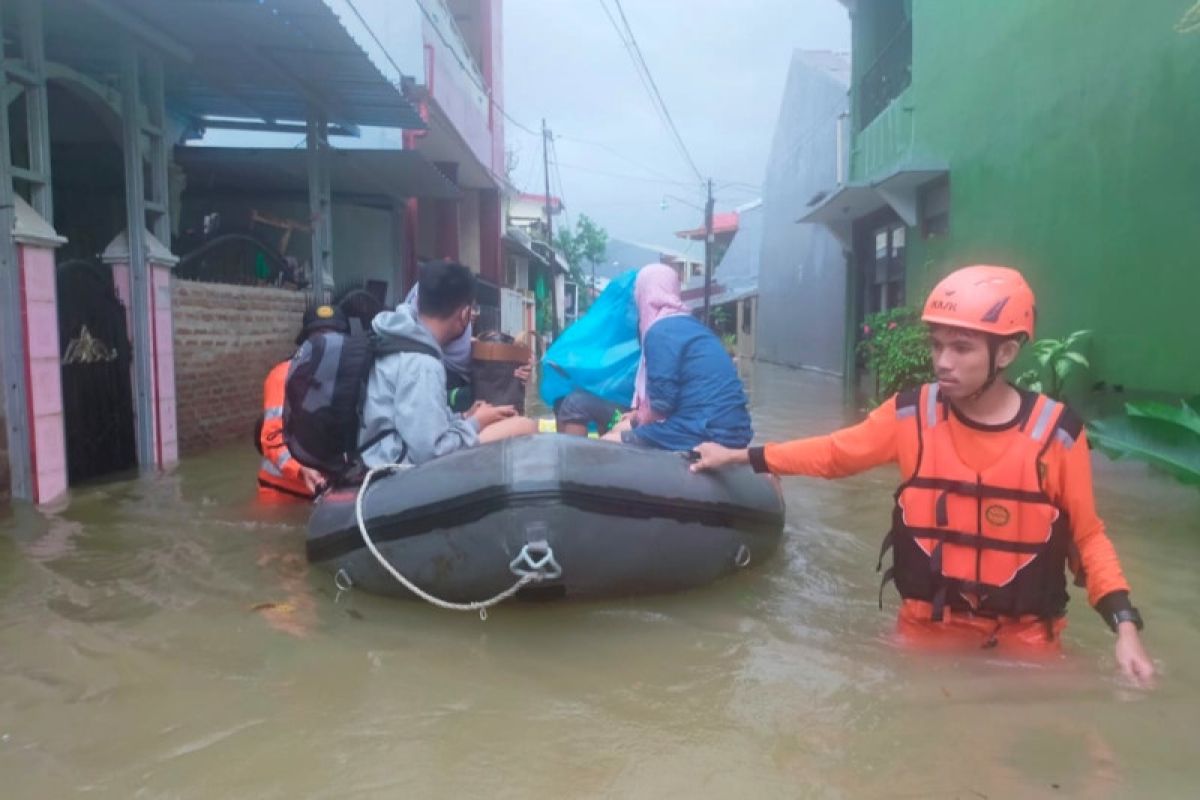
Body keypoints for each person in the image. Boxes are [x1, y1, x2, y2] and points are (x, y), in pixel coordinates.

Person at [691, 265, 1155, 684]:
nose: (943, 361)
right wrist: (738, 457)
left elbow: (1088, 539)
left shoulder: (1056, 435)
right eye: (937, 345)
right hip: (926, 629)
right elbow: (835, 455)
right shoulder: (911, 416)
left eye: (961, 347)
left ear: (1006, 352)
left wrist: (1125, 628)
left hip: (1026, 639)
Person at [359, 260, 537, 467]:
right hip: (396, 471)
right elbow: (431, 454)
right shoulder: (423, 364)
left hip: (384, 455)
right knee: (524, 426)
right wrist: (476, 423)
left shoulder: (400, 339)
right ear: (464, 314)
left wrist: (462, 416)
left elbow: (419, 425)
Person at [603, 263, 752, 450]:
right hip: (734, 429)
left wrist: (636, 419)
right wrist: (636, 417)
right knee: (622, 427)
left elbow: (661, 406)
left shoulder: (660, 332)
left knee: (607, 443)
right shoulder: (691, 326)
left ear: (643, 295)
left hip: (702, 430)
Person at [256, 305, 346, 499]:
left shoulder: (350, 375)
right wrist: (299, 469)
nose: (327, 343)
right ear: (305, 341)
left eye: (333, 336)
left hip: (329, 492)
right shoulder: (282, 375)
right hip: (281, 492)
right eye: (319, 336)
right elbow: (272, 436)